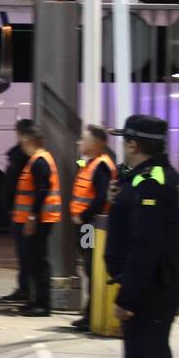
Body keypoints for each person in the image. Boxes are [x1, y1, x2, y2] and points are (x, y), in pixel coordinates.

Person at [103, 114, 179, 358]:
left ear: (134, 144)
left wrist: (127, 300)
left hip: (151, 287)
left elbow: (144, 246)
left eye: (126, 141)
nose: (123, 145)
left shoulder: (151, 182)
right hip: (160, 284)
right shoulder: (151, 176)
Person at [69, 125, 117, 331]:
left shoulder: (101, 166)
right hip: (86, 225)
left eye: (83, 139)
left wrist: (83, 216)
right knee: (88, 268)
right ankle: (89, 313)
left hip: (89, 226)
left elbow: (100, 199)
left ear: (96, 144)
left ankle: (91, 315)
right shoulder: (91, 163)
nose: (79, 142)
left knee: (91, 268)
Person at [11, 125, 62, 316]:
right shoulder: (37, 160)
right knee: (34, 262)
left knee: (39, 262)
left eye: (22, 140)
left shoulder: (40, 161)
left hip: (40, 221)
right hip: (39, 219)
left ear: (28, 141)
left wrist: (32, 217)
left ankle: (43, 304)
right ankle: (35, 301)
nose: (21, 144)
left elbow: (42, 191)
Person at [0, 118, 35, 304]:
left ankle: (29, 292)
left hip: (24, 215)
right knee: (23, 255)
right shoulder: (20, 156)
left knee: (29, 255)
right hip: (19, 212)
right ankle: (24, 289)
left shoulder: (27, 158)